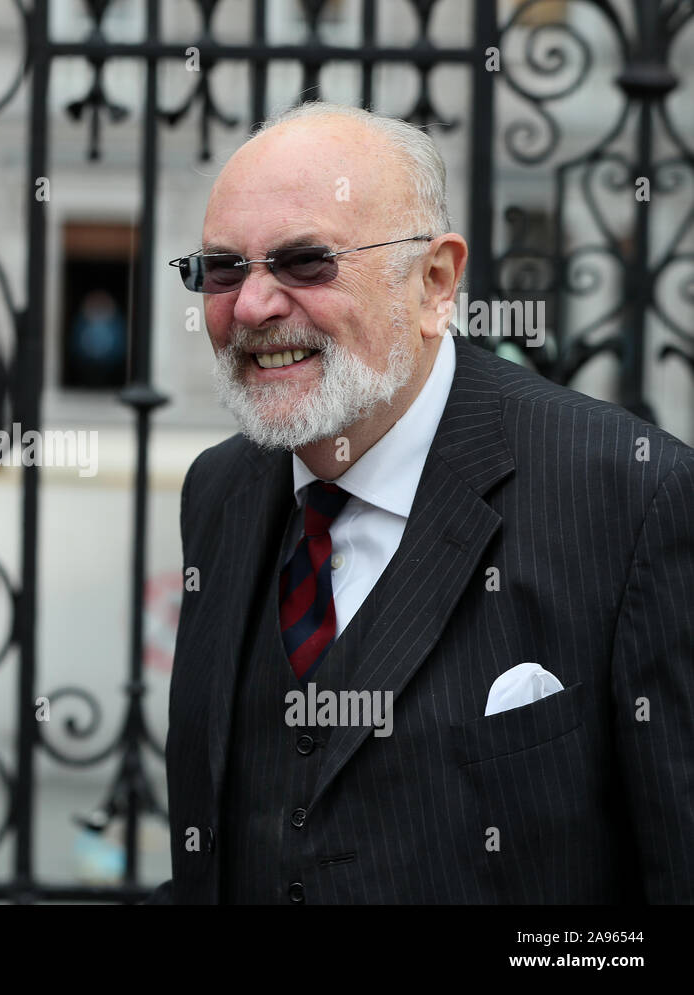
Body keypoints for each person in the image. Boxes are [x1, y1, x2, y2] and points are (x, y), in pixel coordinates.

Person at [156, 102, 694, 903]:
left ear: (435, 282)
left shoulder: (631, 496)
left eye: (306, 262)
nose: (253, 306)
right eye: (225, 269)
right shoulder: (219, 491)